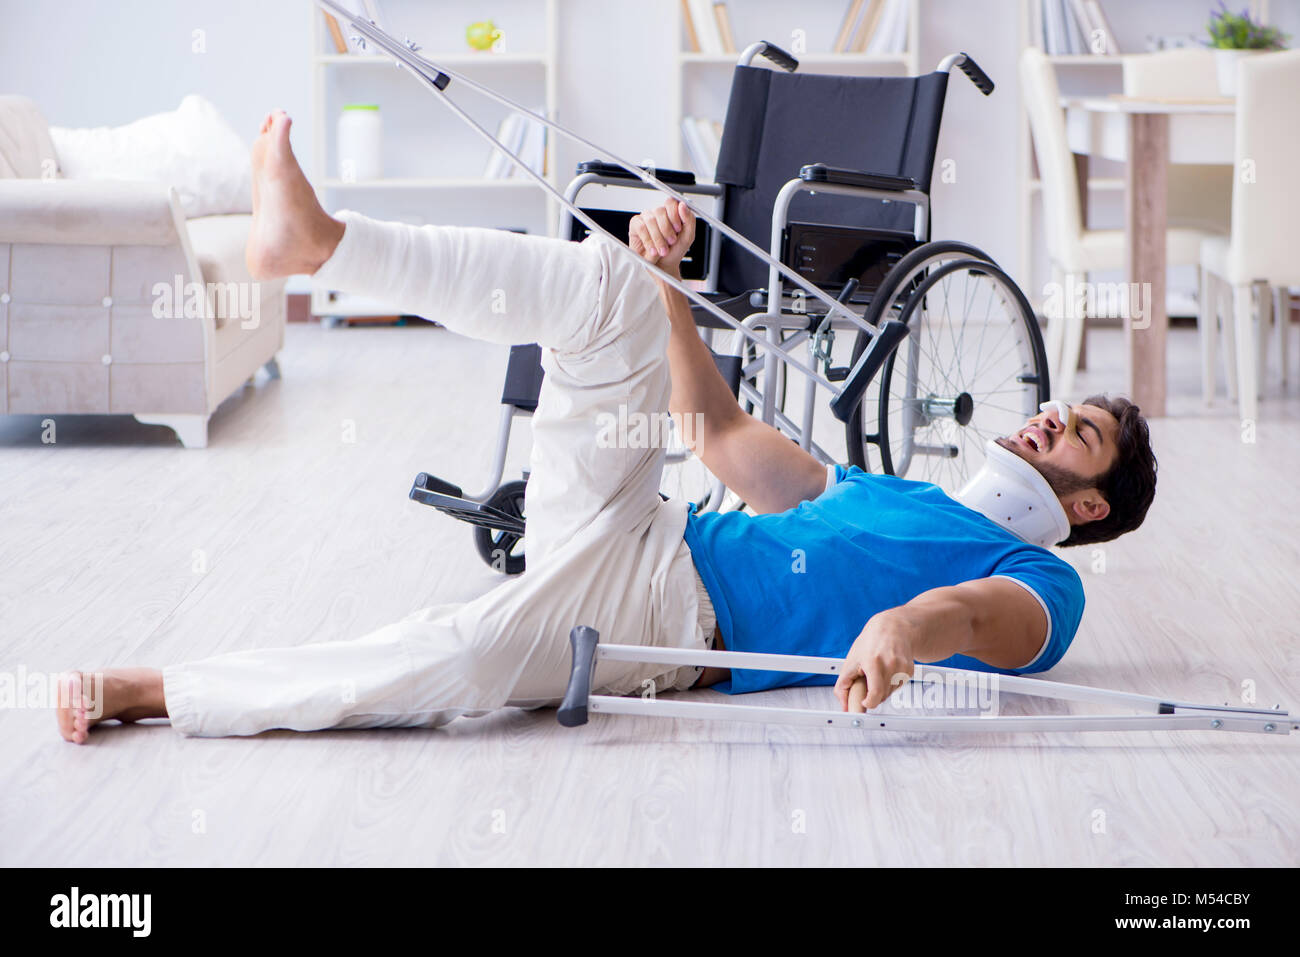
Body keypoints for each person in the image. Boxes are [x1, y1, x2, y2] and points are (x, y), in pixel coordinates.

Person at [56, 111, 1156, 745]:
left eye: (1081, 434)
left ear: (1089, 503)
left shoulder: (1041, 584)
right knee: (609, 290)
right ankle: (326, 248)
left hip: (667, 619)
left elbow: (963, 615)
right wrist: (664, 280)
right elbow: (717, 434)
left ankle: (160, 688)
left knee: (467, 659)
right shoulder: (905, 496)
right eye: (1068, 409)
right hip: (651, 526)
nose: (1054, 414)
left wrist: (904, 635)